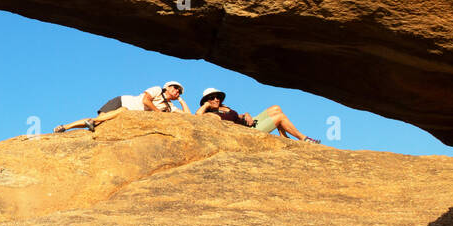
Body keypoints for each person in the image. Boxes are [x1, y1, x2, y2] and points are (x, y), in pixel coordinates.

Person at [54, 81, 188, 133]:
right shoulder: (157, 89)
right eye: (175, 88)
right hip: (122, 102)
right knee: (99, 120)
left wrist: (181, 101)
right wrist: (158, 111)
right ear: (167, 87)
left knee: (98, 123)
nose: (177, 91)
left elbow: (188, 116)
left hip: (126, 111)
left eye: (179, 91)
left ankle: (66, 127)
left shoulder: (169, 106)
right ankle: (65, 127)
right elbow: (146, 101)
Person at [195, 87, 319, 142]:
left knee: (276, 108)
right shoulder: (210, 115)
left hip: (251, 122)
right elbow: (197, 117)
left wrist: (247, 114)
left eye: (218, 97)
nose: (216, 99)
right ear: (207, 100)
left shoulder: (224, 107)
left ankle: (283, 136)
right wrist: (206, 106)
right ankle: (303, 138)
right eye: (212, 98)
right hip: (249, 131)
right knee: (279, 117)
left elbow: (238, 116)